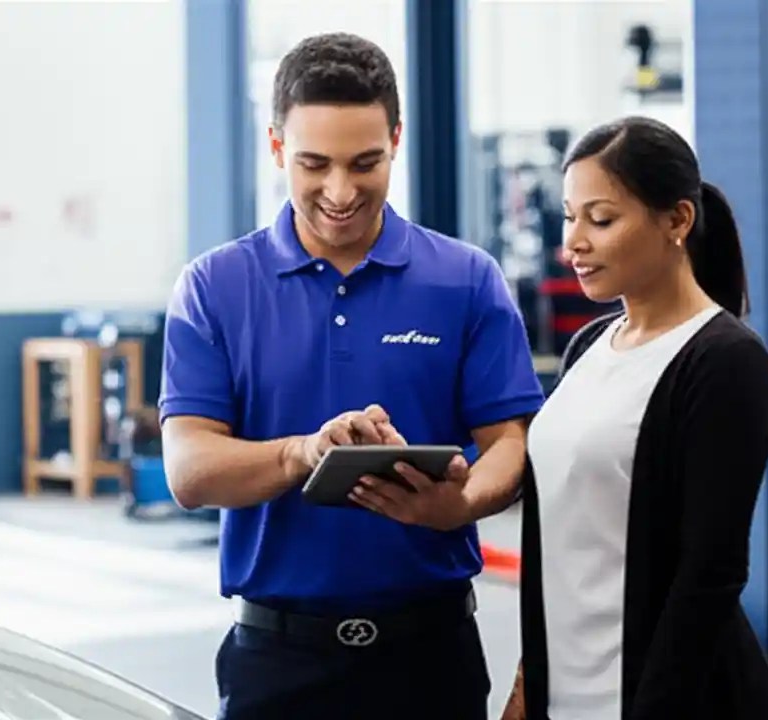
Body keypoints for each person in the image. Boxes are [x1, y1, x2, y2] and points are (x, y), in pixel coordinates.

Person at [159, 32, 545, 719]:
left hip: (431, 658)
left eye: (366, 162)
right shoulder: (214, 287)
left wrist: (456, 505)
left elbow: (509, 443)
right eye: (315, 164)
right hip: (276, 663)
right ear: (277, 147)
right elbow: (190, 470)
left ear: (396, 139)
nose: (341, 191)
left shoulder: (466, 280)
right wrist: (304, 452)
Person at [504, 116, 768, 720]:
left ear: (677, 220)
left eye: (600, 220)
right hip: (564, 691)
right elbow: (564, 532)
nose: (573, 241)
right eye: (571, 217)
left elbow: (710, 572)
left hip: (667, 700)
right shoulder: (588, 348)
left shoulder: (726, 361)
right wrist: (530, 679)